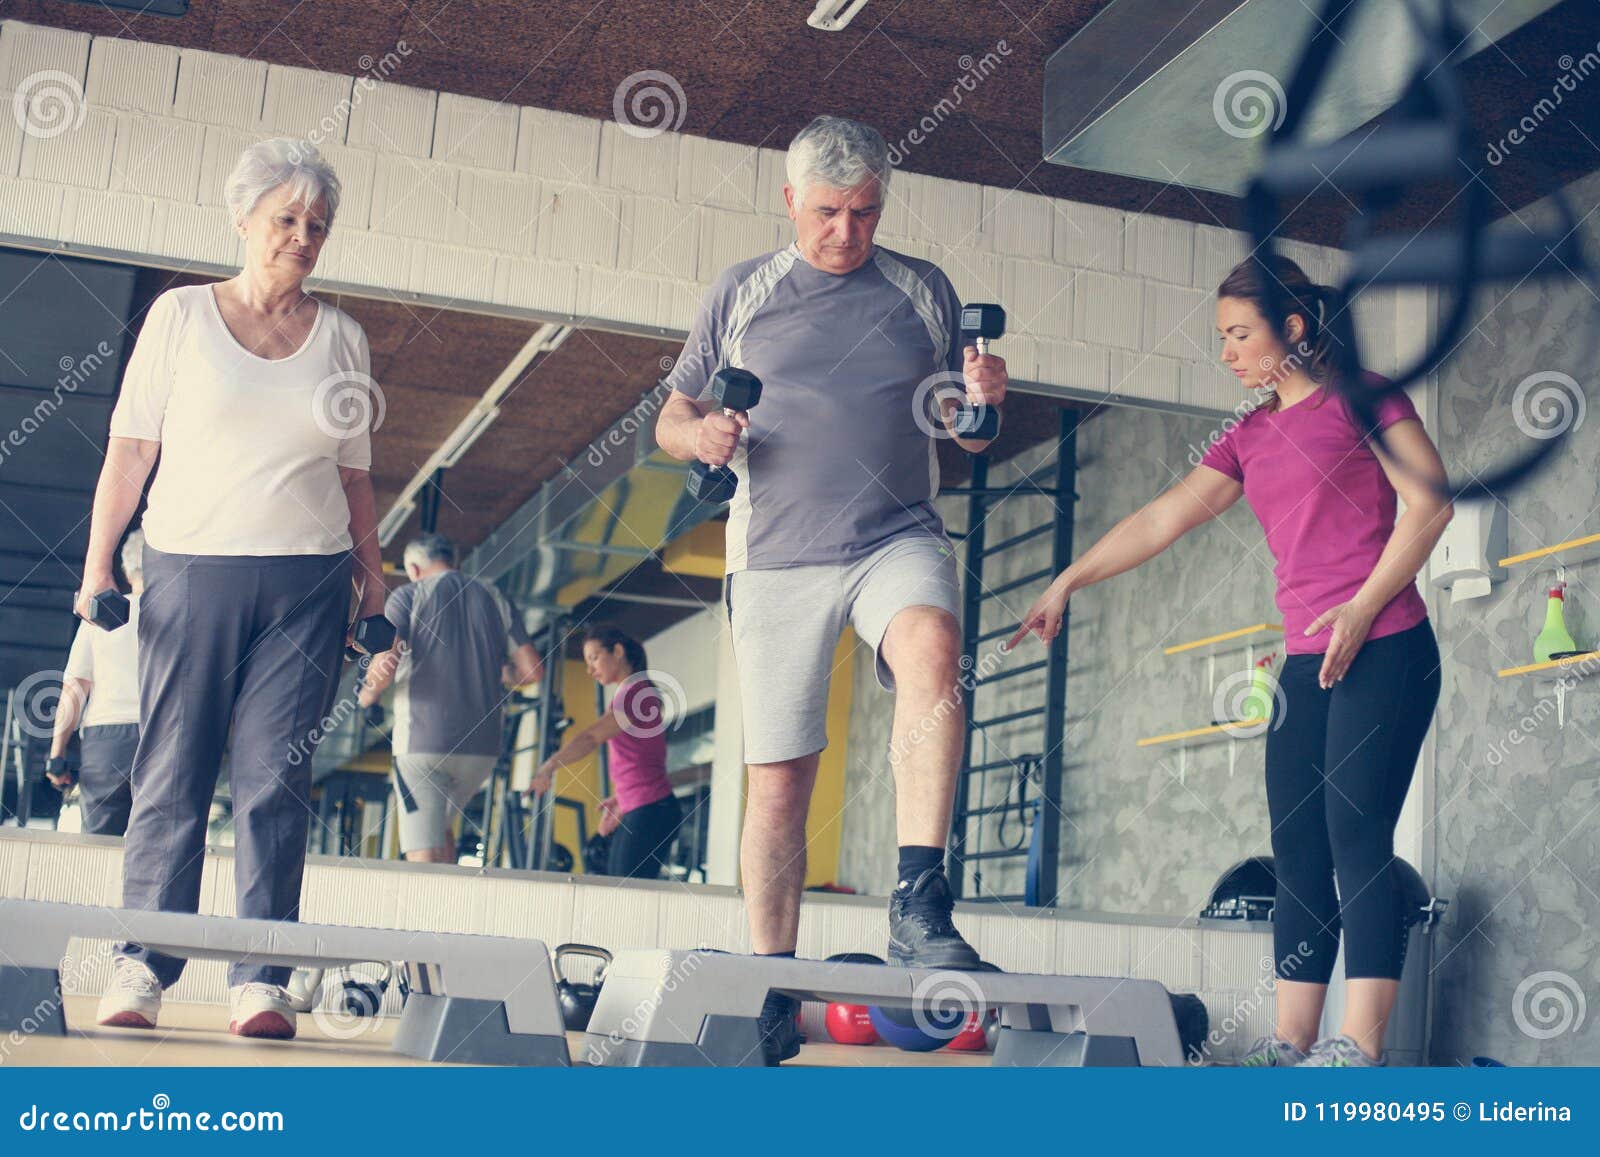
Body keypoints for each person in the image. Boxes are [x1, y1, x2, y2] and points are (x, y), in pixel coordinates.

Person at [1012, 255, 1452, 1068]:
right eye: (1223, 337)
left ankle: (1359, 1046)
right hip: (1307, 661)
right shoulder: (1250, 435)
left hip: (1387, 644)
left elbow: (1429, 505)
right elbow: (1162, 518)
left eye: (1240, 334)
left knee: (1357, 833)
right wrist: (1069, 578)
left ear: (1293, 327)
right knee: (1299, 850)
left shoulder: (1366, 397)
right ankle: (1291, 1043)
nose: (1227, 353)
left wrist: (1361, 606)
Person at [654, 115, 1007, 1063]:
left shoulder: (924, 289)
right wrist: (700, 437)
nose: (846, 232)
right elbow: (672, 417)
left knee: (933, 647)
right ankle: (772, 982)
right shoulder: (742, 290)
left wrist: (984, 399)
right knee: (781, 781)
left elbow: (967, 432)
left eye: (864, 212)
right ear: (789, 202)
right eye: (826, 213)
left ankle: (920, 902)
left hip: (897, 532)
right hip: (776, 552)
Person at [82, 138, 385, 1040]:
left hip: (308, 583)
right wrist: (99, 565)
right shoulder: (180, 316)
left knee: (274, 783)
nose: (302, 237)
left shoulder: (344, 338)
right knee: (172, 771)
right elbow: (131, 450)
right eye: (286, 218)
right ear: (244, 219)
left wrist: (373, 592)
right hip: (190, 568)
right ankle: (143, 962)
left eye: (318, 225)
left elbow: (356, 480)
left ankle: (262, 978)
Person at [358, 532, 544, 863]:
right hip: (482, 749)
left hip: (423, 744)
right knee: (441, 831)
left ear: (414, 569)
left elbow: (386, 663)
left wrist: (368, 694)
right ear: (454, 561)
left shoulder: (408, 595)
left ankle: (422, 901)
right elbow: (533, 671)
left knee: (421, 851)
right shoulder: (493, 594)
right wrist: (501, 673)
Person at [526, 625, 682, 880]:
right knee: (610, 876)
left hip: (651, 809)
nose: (589, 670)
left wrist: (548, 766)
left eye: (595, 658)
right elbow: (642, 757)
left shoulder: (635, 695)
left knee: (623, 891)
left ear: (617, 651)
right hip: (644, 806)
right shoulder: (633, 693)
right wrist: (623, 797)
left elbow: (591, 738)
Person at [49, 529, 146, 836]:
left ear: (127, 571)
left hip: (107, 742)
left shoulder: (101, 618)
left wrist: (57, 755)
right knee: (159, 839)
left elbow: (75, 689)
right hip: (163, 734)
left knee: (99, 843)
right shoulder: (182, 619)